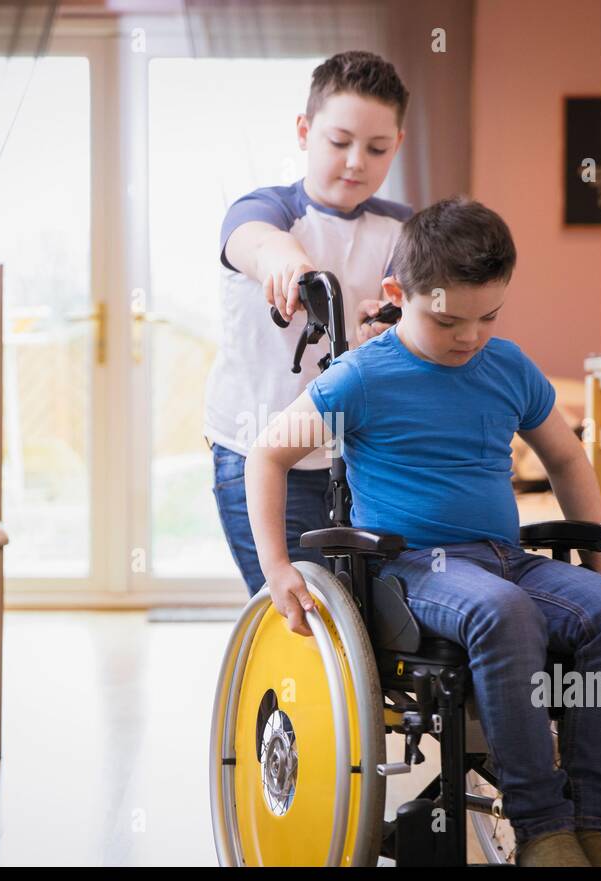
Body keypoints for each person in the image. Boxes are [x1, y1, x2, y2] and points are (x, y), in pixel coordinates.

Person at [244, 197, 601, 867]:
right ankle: (542, 829)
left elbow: (567, 458)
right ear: (397, 294)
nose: (468, 337)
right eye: (447, 320)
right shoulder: (364, 379)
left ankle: (586, 825)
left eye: (487, 317)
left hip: (505, 559)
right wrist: (277, 566)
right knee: (503, 611)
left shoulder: (507, 366)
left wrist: (596, 570)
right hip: (410, 572)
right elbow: (269, 453)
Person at [207, 50, 412, 595]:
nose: (355, 162)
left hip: (354, 455)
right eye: (338, 142)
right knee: (296, 610)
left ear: (399, 144)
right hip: (259, 452)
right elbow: (259, 244)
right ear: (304, 131)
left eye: (376, 148)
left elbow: (410, 308)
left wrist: (388, 324)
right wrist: (290, 267)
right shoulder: (264, 208)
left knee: (361, 619)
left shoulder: (403, 230)